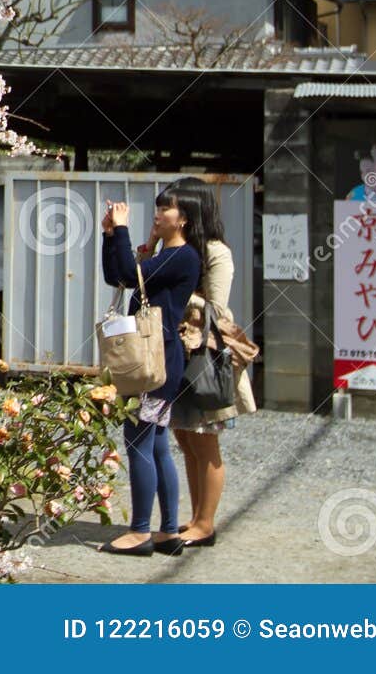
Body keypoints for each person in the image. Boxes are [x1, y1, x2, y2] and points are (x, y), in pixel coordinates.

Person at [96, 185, 207, 557]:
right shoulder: (167, 254)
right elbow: (119, 276)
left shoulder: (183, 255)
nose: (158, 214)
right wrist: (110, 235)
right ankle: (167, 532)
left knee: (138, 440)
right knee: (157, 444)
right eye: (158, 207)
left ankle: (141, 530)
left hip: (155, 362)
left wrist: (124, 230)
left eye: (167, 209)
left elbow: (130, 271)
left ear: (185, 218)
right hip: (160, 359)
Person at [164, 176, 255, 547]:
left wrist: (183, 290)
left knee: (205, 440)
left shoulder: (216, 252)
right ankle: (196, 516)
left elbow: (218, 309)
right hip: (178, 350)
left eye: (173, 206)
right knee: (185, 437)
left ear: (192, 210)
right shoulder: (179, 246)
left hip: (207, 354)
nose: (167, 213)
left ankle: (207, 524)